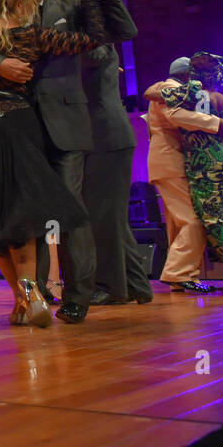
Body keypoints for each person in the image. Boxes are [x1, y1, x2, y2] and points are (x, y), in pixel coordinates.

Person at [0, 0, 137, 323]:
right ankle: (32, 296)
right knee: (23, 216)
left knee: (68, 212)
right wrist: (0, 63)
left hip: (63, 124)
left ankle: (78, 296)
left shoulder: (70, 5)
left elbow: (122, 30)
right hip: (11, 124)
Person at [152, 52, 223, 294]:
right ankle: (183, 274)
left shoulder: (188, 96)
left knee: (211, 218)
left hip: (205, 163)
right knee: (221, 216)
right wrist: (218, 124)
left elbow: (164, 104)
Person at [143, 57, 223, 293]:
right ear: (187, 75)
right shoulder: (171, 89)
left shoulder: (167, 88)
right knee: (193, 221)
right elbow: (176, 116)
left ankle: (181, 276)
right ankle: (179, 273)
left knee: (178, 224)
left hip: (166, 162)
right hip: (170, 162)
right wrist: (215, 122)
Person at [82, 41, 153, 306]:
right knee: (113, 218)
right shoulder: (99, 49)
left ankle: (111, 287)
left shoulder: (92, 47)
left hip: (105, 137)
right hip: (108, 136)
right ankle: (136, 284)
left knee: (103, 217)